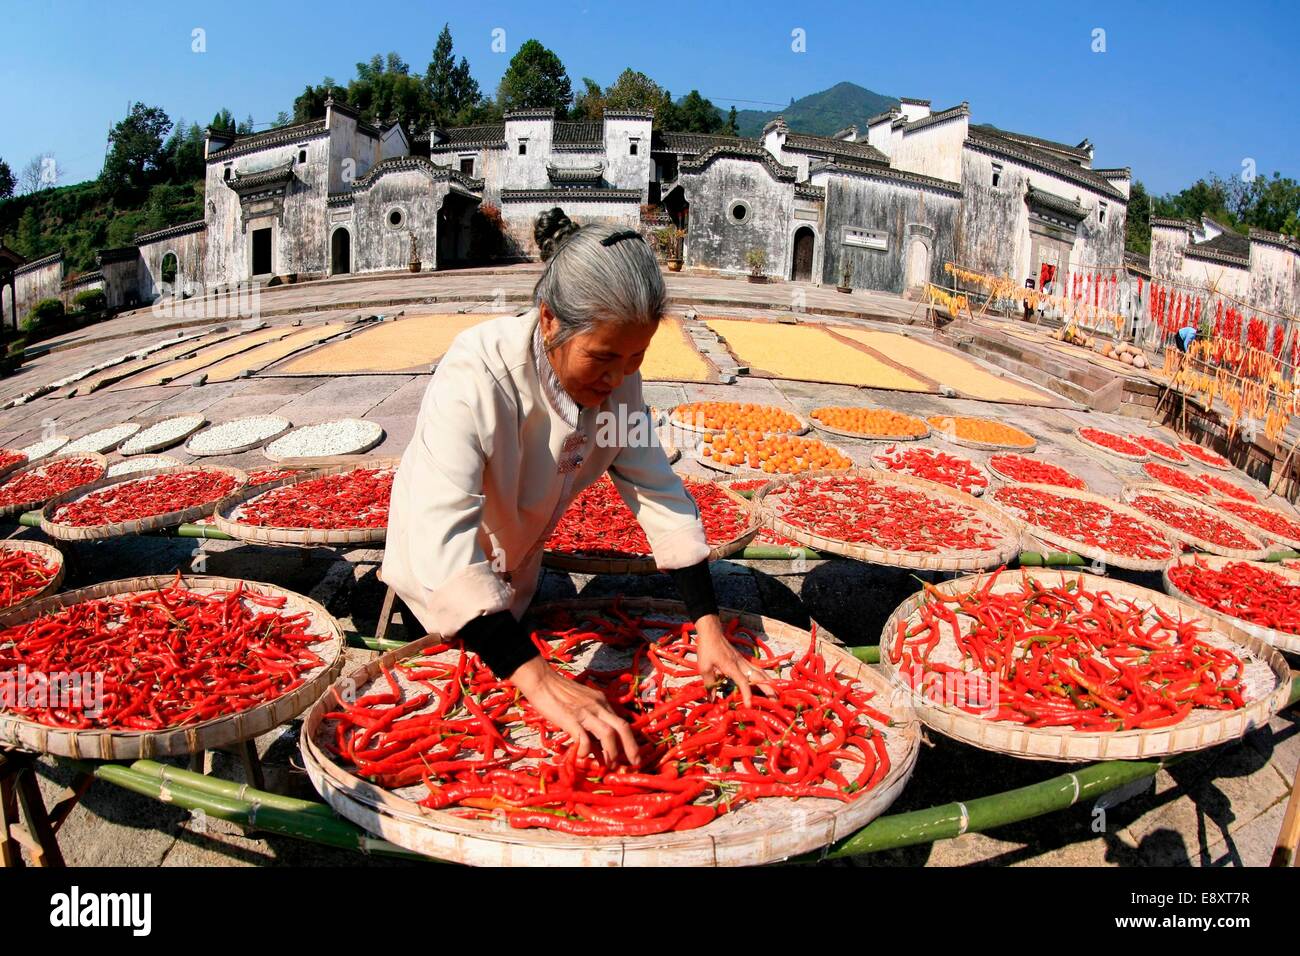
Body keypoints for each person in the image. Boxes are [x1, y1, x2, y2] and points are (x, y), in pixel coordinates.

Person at [382, 208, 771, 767]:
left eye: (636, 357)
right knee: (437, 735)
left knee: (516, 743)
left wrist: (708, 626)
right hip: (433, 592)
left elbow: (658, 492)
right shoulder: (477, 377)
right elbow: (441, 545)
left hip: (513, 584)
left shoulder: (620, 388)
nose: (618, 378)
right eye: (603, 358)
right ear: (548, 322)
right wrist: (540, 679)